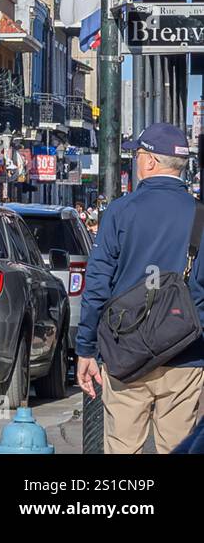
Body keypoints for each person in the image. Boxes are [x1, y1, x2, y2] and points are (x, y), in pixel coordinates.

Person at [76, 123, 204, 453]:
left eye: (137, 155)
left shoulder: (121, 211)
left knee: (122, 448)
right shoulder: (200, 216)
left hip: (125, 354)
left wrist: (87, 349)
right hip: (185, 355)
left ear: (148, 162)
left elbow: (97, 284)